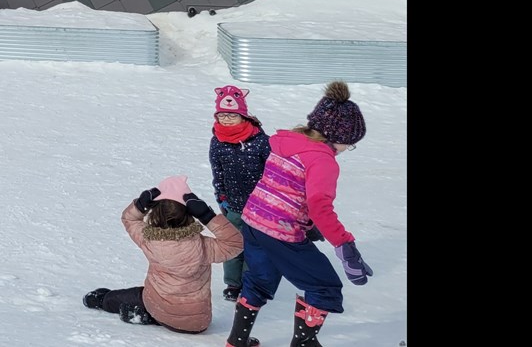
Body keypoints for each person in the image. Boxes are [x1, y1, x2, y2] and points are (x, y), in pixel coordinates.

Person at [226, 82, 371, 347]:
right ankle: (303, 344)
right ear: (334, 137)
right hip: (281, 232)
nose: (344, 150)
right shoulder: (322, 159)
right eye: (348, 144)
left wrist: (308, 222)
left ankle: (236, 341)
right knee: (324, 285)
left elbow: (288, 188)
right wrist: (344, 244)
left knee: (258, 280)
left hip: (254, 221)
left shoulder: (287, 143)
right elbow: (319, 204)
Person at [82, 175, 248, 338]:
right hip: (197, 323)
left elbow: (129, 219)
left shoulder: (149, 239)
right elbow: (235, 244)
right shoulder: (204, 247)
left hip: (156, 306)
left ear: (155, 213)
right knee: (153, 301)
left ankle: (103, 300)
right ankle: (152, 317)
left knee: (133, 296)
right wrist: (208, 216)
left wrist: (140, 205)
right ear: (189, 213)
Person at [209, 85, 271, 303]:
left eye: (231, 115)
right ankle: (233, 284)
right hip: (233, 204)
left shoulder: (261, 141)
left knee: (254, 247)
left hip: (259, 206)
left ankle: (249, 282)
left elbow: (272, 172)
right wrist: (221, 198)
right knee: (234, 244)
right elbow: (217, 171)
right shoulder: (217, 140)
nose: (226, 119)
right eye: (222, 115)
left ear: (242, 115)